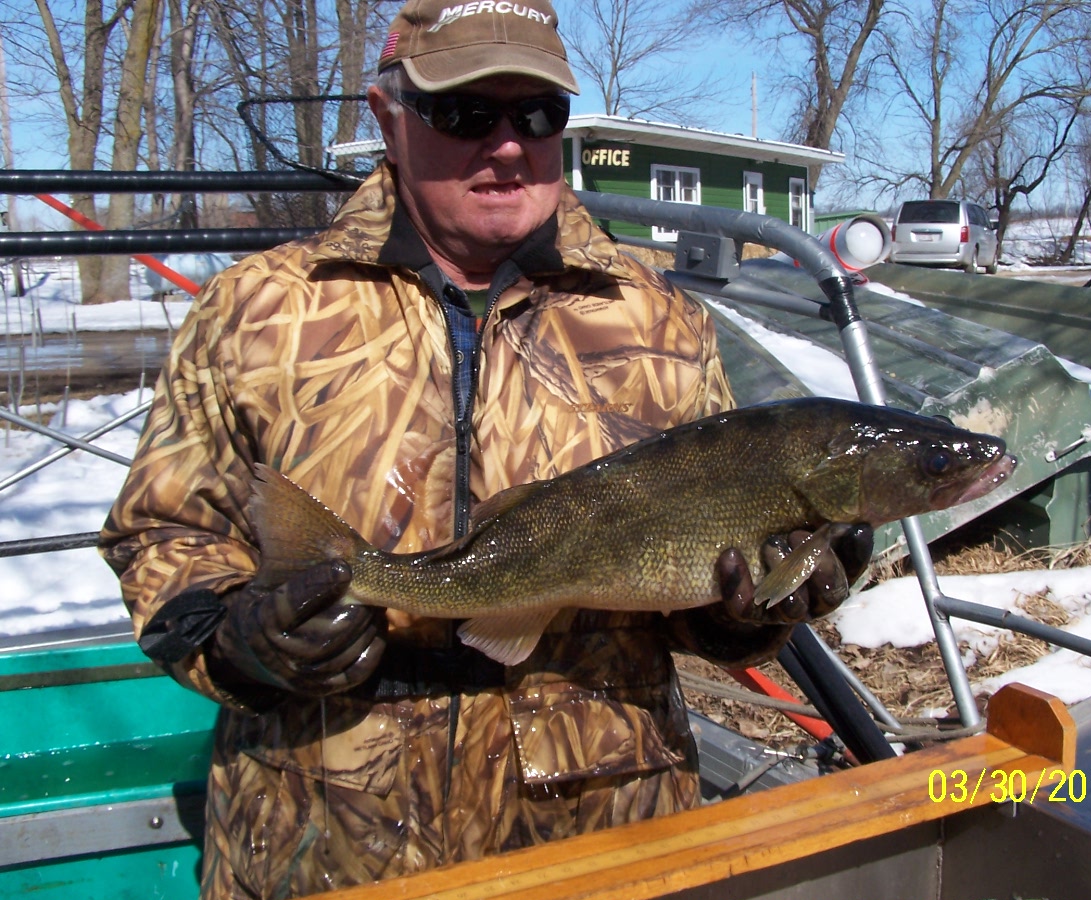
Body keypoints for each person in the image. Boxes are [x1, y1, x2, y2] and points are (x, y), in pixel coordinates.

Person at [100, 1, 873, 897]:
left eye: (537, 113)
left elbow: (693, 581)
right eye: (466, 112)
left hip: (605, 845)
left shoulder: (663, 319)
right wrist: (237, 645)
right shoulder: (259, 307)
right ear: (388, 119)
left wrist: (749, 612)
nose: (508, 145)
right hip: (321, 845)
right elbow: (160, 535)